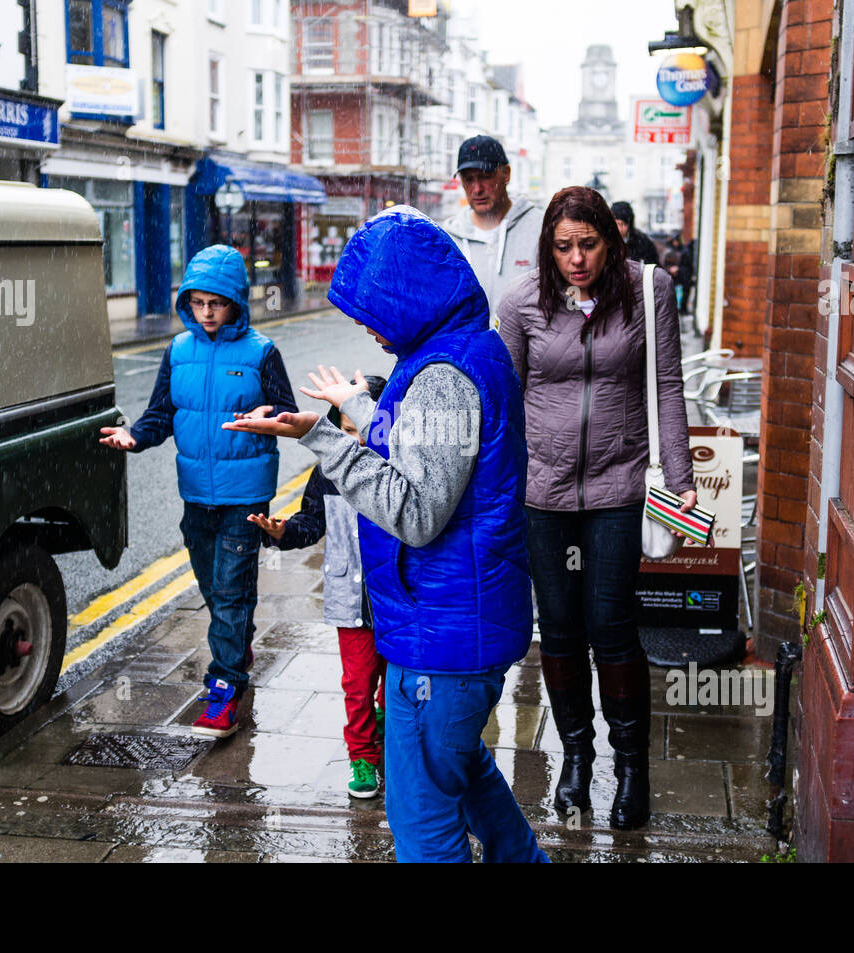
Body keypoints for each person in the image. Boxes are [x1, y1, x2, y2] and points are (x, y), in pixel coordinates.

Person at [225, 206, 548, 863]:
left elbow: (417, 509)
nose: (361, 323)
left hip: (442, 638)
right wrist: (356, 410)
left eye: (369, 306)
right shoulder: (457, 349)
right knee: (461, 774)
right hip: (461, 620)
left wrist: (320, 439)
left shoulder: (442, 376)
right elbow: (426, 449)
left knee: (423, 823)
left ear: (406, 295)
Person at [497, 186, 697, 830]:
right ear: (547, 247)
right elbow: (504, 400)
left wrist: (683, 474)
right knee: (556, 629)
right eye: (563, 246)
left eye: (588, 244)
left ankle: (632, 767)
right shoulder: (522, 302)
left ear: (611, 241)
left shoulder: (648, 290)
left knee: (610, 625)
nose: (576, 258)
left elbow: (666, 384)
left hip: (619, 484)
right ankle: (577, 759)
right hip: (544, 491)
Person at [99, 245, 297, 738]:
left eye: (217, 303)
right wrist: (135, 437)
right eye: (198, 303)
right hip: (196, 496)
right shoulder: (178, 351)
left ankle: (225, 687)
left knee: (229, 593)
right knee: (214, 589)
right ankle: (236, 644)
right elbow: (160, 415)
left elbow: (288, 412)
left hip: (244, 497)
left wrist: (268, 419)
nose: (206, 312)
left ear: (236, 303)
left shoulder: (261, 352)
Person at [247, 375, 390, 799]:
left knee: (397, 684)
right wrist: (281, 531)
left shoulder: (399, 468)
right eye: (346, 432)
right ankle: (363, 758)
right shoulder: (329, 471)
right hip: (351, 600)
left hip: (399, 598)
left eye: (365, 431)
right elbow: (311, 524)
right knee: (358, 684)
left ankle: (388, 731)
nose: (356, 442)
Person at [441, 135, 542, 327]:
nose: (477, 189)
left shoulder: (541, 229)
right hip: (467, 356)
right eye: (468, 179)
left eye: (485, 177)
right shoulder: (447, 239)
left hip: (525, 355)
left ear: (506, 173)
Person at [610, 201, 660, 265]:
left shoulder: (642, 242)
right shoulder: (606, 242)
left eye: (623, 224)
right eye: (616, 224)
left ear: (629, 224)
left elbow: (652, 268)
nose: (619, 229)